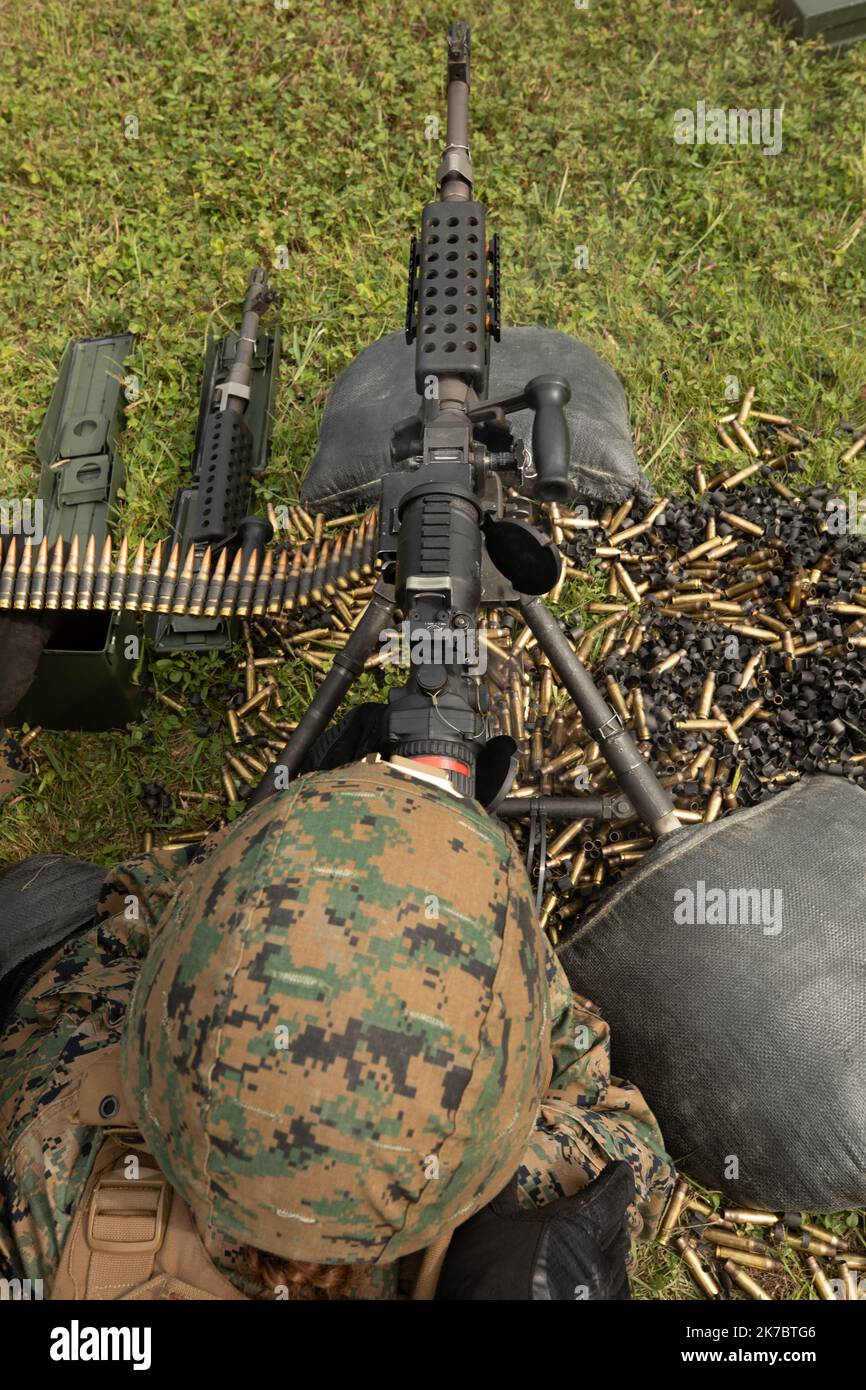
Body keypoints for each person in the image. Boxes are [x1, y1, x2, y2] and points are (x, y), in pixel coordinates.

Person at [0, 750, 675, 1301]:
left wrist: (270, 876)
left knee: (45, 901)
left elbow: (121, 938)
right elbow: (626, 1145)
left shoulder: (49, 1157)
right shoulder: (490, 1198)